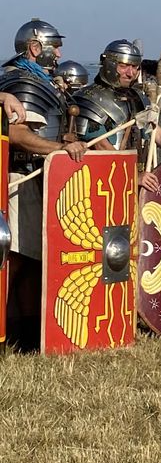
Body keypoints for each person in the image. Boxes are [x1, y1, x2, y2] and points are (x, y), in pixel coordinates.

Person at [1, 18, 78, 350]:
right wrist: (58, 149)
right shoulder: (21, 82)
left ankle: (27, 333)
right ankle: (6, 329)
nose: (59, 53)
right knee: (16, 258)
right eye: (54, 46)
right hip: (21, 176)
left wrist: (63, 143)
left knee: (32, 259)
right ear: (34, 48)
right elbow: (18, 134)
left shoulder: (42, 81)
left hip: (40, 177)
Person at [71, 39, 161, 191]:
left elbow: (158, 134)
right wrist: (134, 175)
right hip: (102, 182)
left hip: (132, 179)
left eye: (134, 67)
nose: (130, 73)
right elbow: (101, 146)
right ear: (109, 65)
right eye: (123, 66)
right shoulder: (88, 99)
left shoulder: (135, 98)